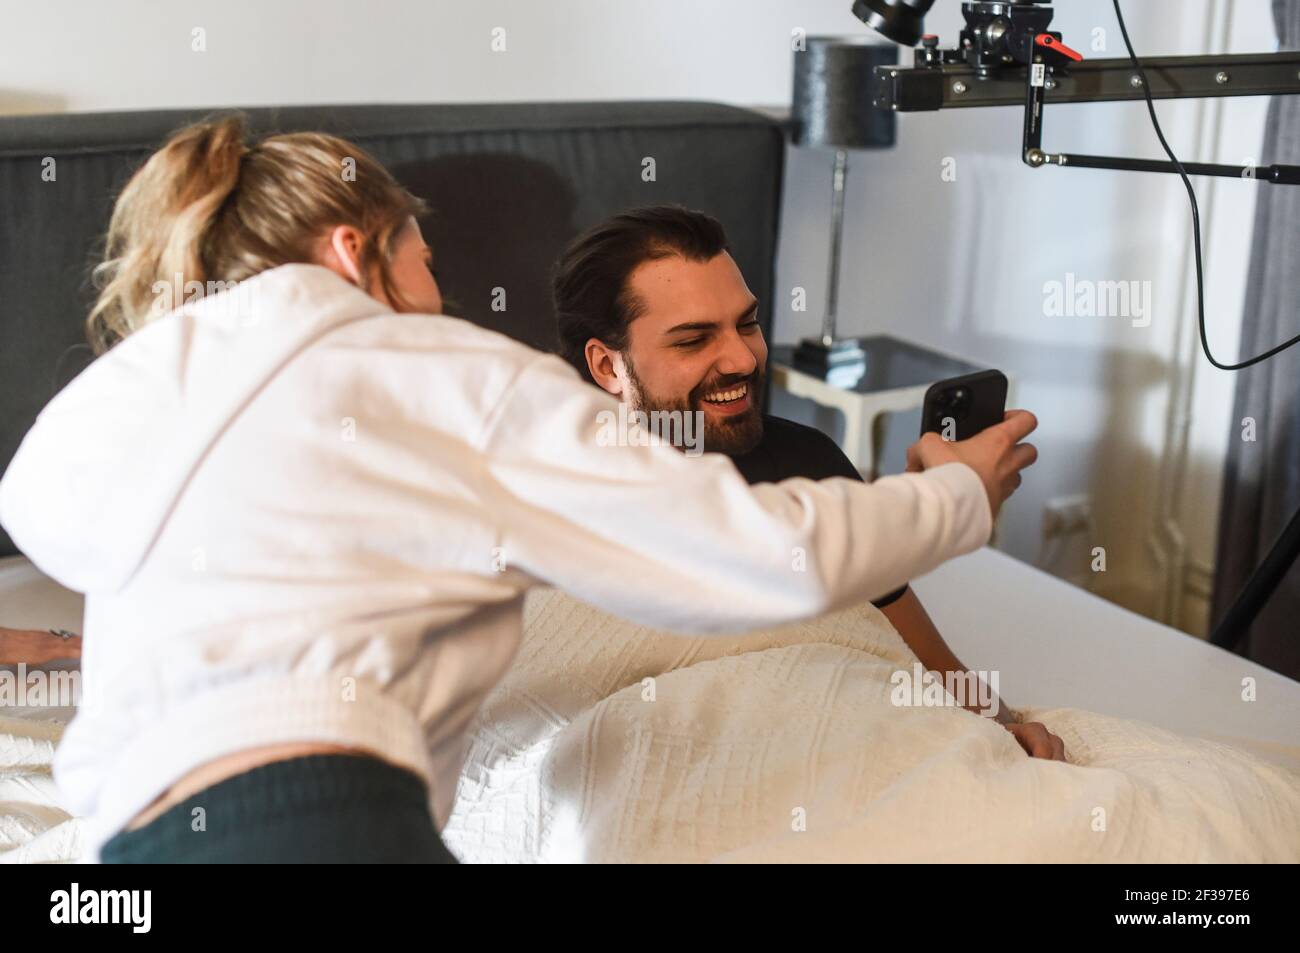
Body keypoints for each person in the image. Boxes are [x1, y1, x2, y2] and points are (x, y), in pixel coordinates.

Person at [0, 115, 1037, 863]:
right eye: (425, 262)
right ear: (353, 250)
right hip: (317, 817)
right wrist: (956, 497)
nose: (438, 296)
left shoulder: (134, 421)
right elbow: (762, 558)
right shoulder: (436, 374)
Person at [553, 205, 1064, 761]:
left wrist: (1003, 725)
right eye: (694, 340)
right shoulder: (541, 500)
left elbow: (918, 652)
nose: (742, 359)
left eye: (746, 323)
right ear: (607, 367)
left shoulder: (803, 458)